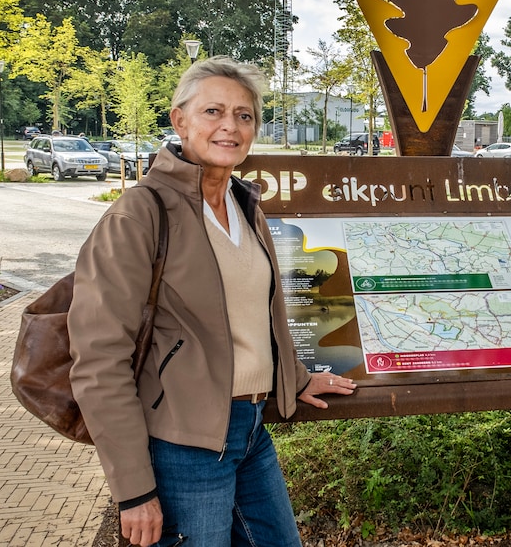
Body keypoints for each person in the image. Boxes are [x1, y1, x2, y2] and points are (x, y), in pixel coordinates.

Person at [68, 55, 357, 547]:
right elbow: (98, 360)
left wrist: (296, 377)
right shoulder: (140, 215)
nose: (230, 126)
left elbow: (256, 318)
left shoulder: (244, 205)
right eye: (213, 112)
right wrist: (134, 490)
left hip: (250, 431)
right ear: (180, 119)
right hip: (183, 444)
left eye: (244, 115)